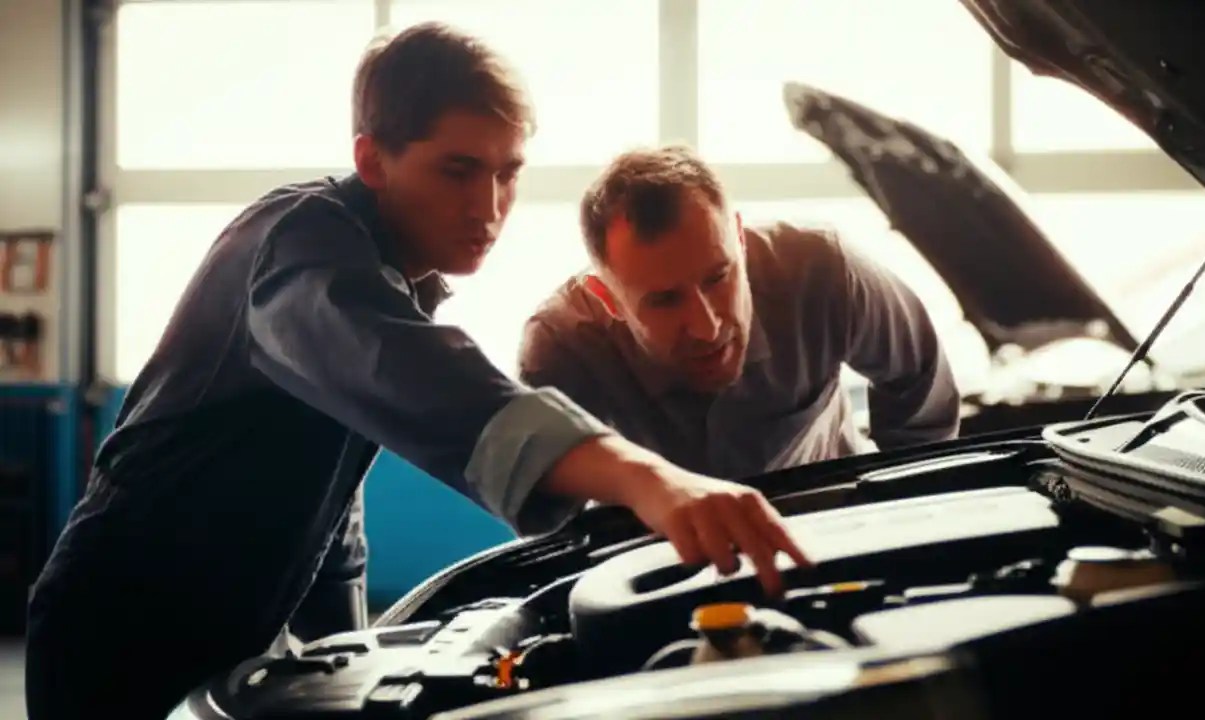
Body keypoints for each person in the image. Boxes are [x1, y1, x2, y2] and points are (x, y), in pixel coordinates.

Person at [24, 23, 809, 720]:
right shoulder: (302, 247)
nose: (490, 206)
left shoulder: (396, 275)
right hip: (120, 623)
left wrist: (348, 647)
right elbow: (426, 385)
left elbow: (335, 507)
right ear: (372, 158)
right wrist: (654, 479)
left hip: (237, 627)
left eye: (508, 171)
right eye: (458, 170)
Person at [518, 145, 961, 480]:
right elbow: (550, 519)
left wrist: (894, 509)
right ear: (607, 299)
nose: (708, 326)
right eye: (665, 300)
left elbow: (920, 384)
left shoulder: (822, 270)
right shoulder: (561, 349)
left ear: (740, 239)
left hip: (833, 536)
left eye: (718, 277)